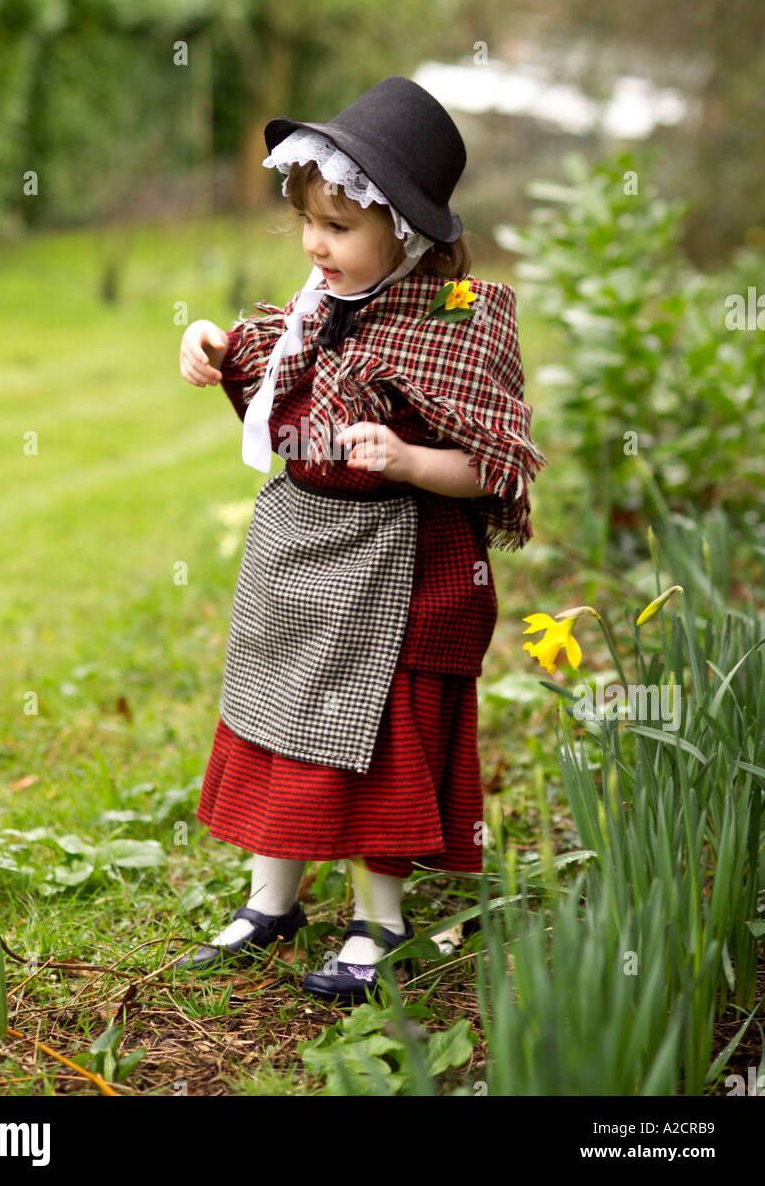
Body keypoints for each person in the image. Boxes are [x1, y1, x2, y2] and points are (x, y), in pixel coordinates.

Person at [178, 75, 547, 1002]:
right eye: (307, 220)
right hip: (301, 559)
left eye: (337, 227)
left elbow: (499, 461)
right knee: (283, 712)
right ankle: (273, 901)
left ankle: (378, 919)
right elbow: (270, 380)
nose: (314, 243)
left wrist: (412, 462)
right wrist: (208, 344)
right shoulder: (312, 315)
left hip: (402, 574)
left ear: (405, 229)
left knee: (385, 738)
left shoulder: (454, 319)